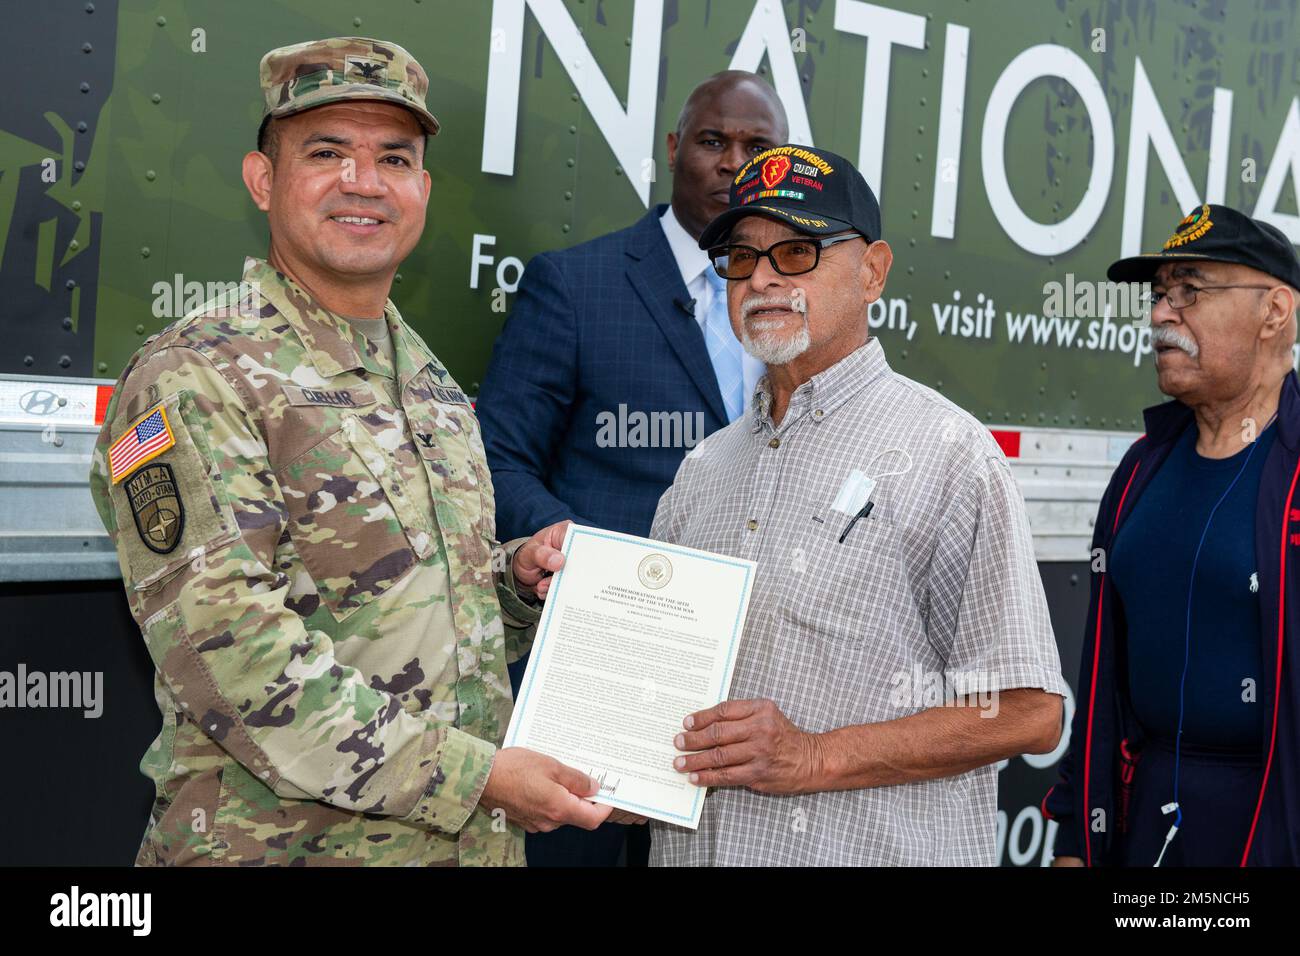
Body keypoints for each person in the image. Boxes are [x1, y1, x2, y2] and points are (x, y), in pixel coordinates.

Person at [87, 36, 629, 867]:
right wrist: (478, 778)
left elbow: (411, 613)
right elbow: (233, 652)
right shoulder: (194, 375)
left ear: (422, 189)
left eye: (394, 158)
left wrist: (515, 586)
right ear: (263, 180)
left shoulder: (431, 381)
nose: (363, 182)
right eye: (327, 152)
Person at [648, 143, 1067, 865]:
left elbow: (1030, 712)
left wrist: (813, 757)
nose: (763, 279)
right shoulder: (704, 468)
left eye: (796, 251)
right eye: (741, 258)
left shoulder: (949, 454)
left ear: (873, 271)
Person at [475, 70, 788, 866]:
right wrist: (568, 553)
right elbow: (499, 458)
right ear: (676, 149)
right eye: (714, 141)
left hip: (743, 700)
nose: (733, 163)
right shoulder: (576, 285)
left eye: (759, 147)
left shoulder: (797, 311)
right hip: (600, 678)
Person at [1044, 204, 1300, 866]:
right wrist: (1078, 838)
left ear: (1274, 312)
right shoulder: (1138, 472)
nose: (1162, 313)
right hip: (1145, 823)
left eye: (1192, 291)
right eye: (1160, 295)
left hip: (1269, 828)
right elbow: (1100, 683)